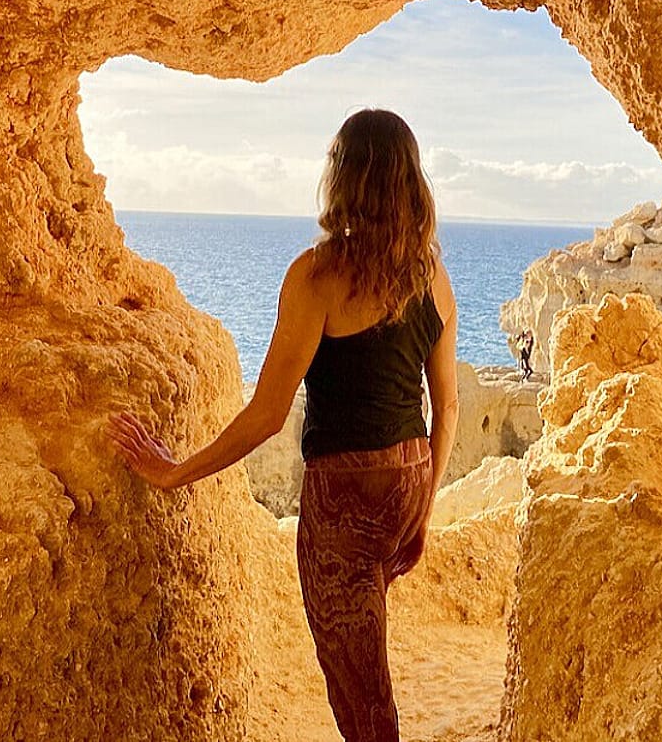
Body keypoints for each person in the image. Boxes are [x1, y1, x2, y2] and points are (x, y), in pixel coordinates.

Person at [107, 108, 459, 742]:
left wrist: (174, 472)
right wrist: (425, 508)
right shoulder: (431, 275)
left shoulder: (317, 276)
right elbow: (449, 407)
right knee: (366, 650)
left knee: (358, 682)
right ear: (412, 182)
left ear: (343, 180)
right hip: (409, 478)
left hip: (347, 495)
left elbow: (269, 414)